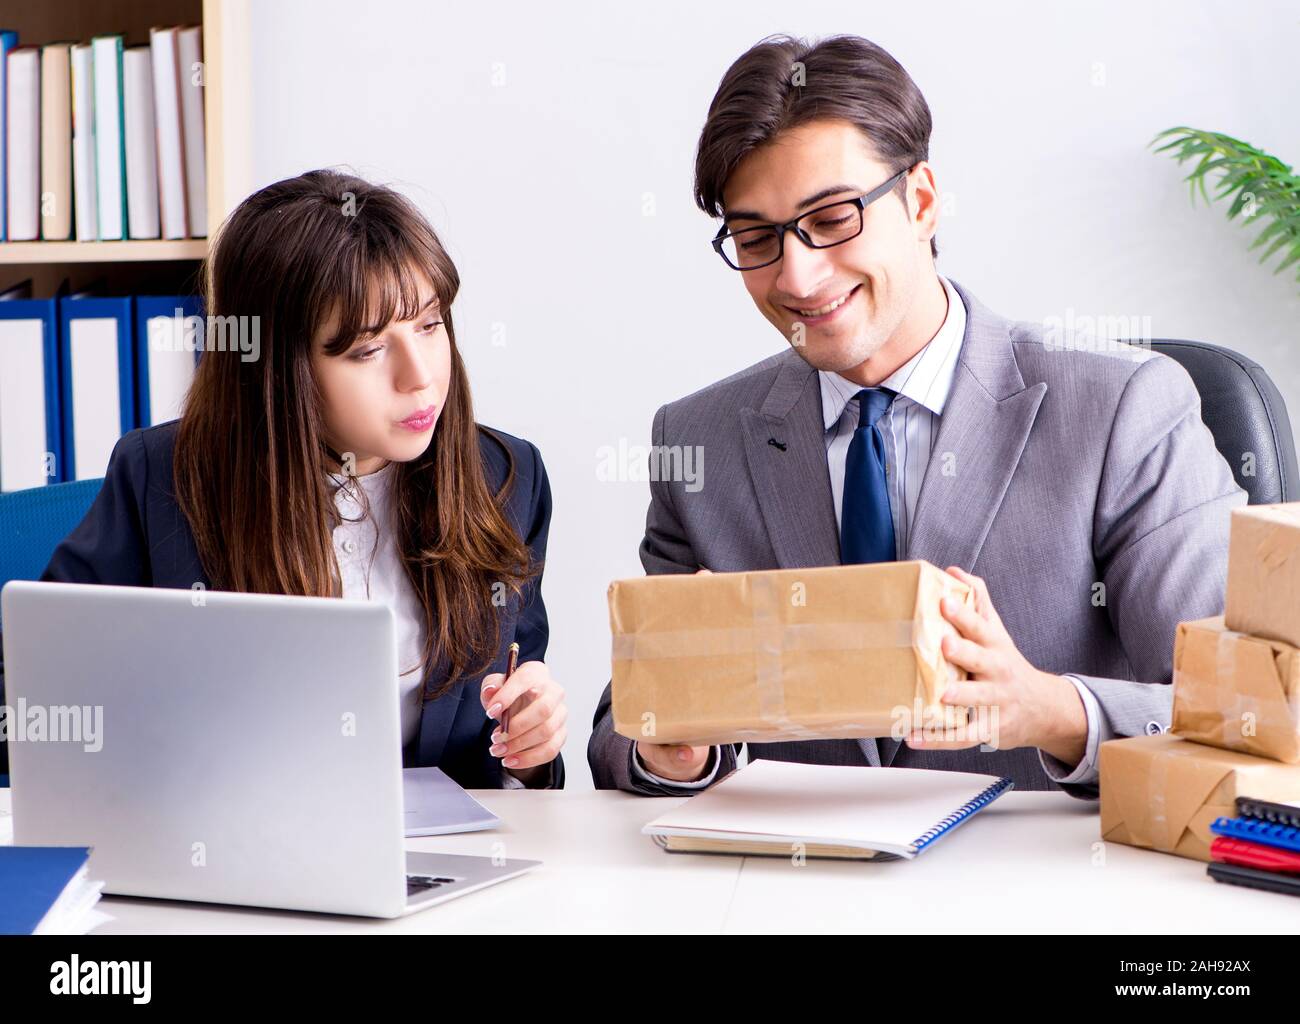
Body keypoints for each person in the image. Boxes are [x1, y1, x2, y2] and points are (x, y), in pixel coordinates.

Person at [588, 34, 1246, 797]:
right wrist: (674, 750)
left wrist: (1053, 711)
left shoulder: (1122, 409)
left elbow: (1241, 713)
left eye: (831, 218)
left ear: (922, 202)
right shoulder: (697, 440)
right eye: (756, 237)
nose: (797, 275)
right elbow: (625, 723)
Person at [0, 170, 567, 788]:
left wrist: (531, 748)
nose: (421, 377)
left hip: (453, 868)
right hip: (231, 860)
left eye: (429, 327)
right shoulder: (158, 479)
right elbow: (33, 709)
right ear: (278, 368)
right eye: (367, 350)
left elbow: (507, 758)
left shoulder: (506, 482)